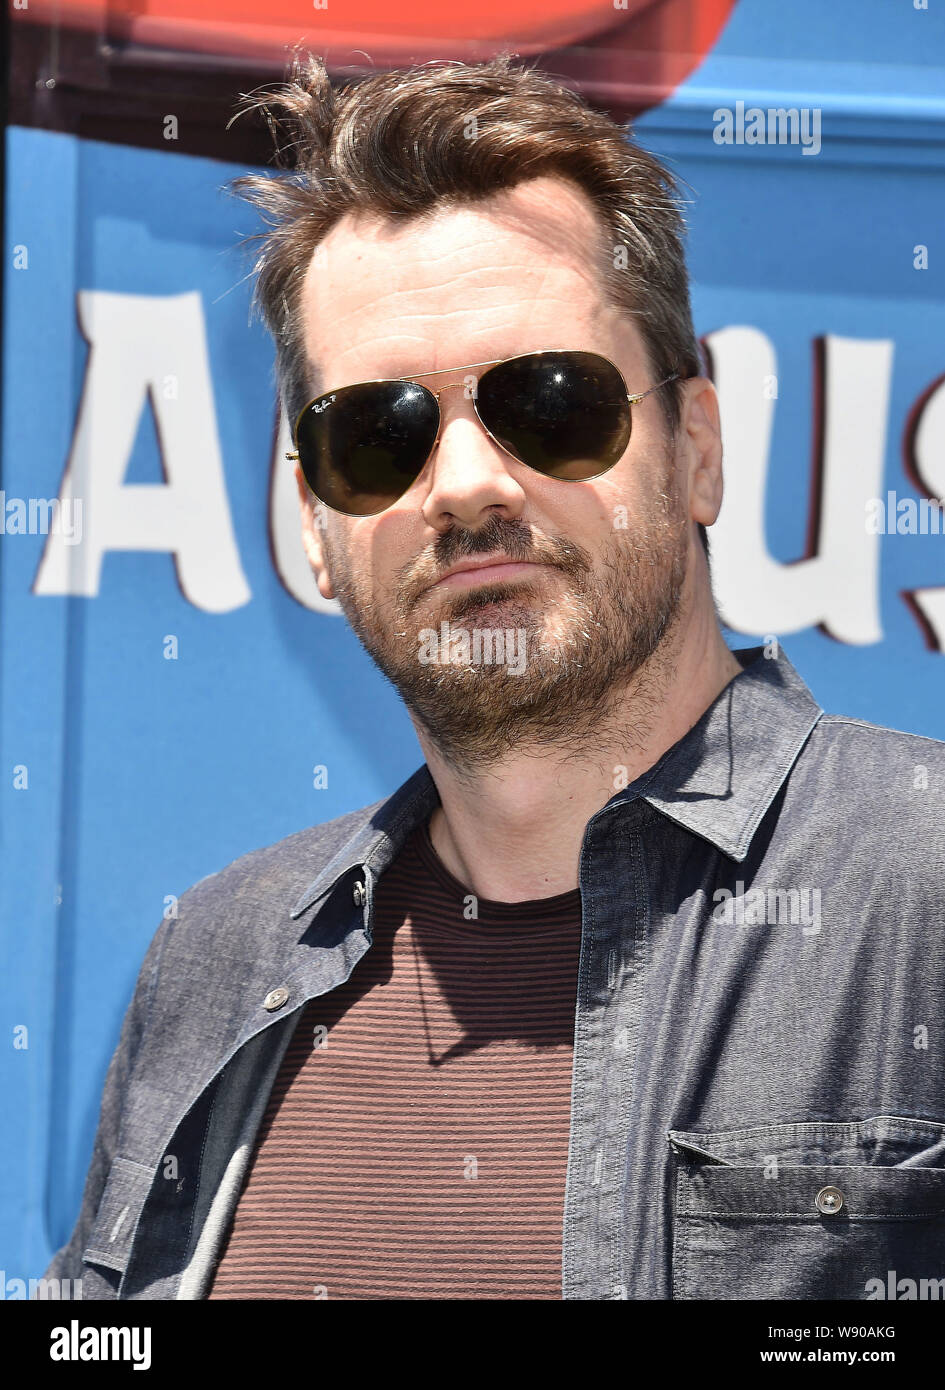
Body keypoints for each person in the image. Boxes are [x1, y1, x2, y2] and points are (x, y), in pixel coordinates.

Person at [44, 52, 945, 1302]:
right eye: (379, 434)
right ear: (314, 524)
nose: (465, 483)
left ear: (697, 451)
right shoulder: (218, 959)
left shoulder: (923, 889)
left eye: (550, 402)